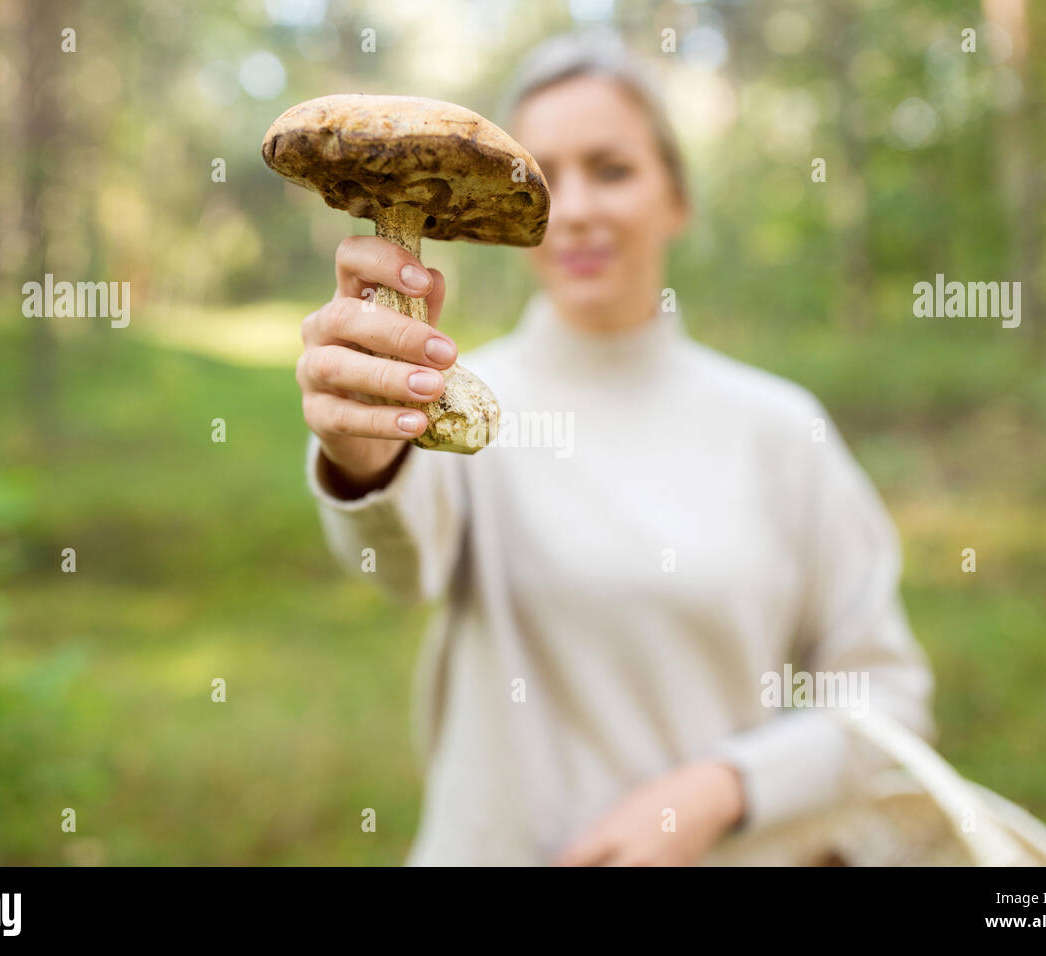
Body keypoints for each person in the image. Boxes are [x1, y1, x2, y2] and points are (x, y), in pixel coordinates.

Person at [295, 30, 935, 866]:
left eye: (613, 169)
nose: (580, 208)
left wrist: (723, 789)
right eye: (546, 176)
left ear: (678, 197)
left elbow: (889, 698)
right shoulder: (461, 402)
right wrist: (359, 451)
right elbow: (395, 567)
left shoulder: (779, 427)